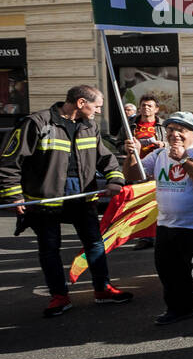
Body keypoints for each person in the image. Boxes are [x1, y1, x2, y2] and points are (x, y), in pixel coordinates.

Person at [0, 85, 133, 317]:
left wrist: (115, 181)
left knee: (94, 244)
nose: (99, 112)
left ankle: (102, 290)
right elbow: (10, 162)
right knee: (50, 249)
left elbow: (105, 157)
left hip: (83, 198)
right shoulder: (37, 123)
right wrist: (14, 195)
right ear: (81, 103)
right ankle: (59, 297)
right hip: (45, 201)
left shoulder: (90, 125)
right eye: (97, 106)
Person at [123, 111, 193, 325]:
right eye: (171, 129)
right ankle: (179, 308)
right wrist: (132, 154)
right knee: (170, 272)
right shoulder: (160, 154)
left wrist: (182, 158)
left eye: (181, 130)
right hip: (166, 226)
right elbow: (133, 175)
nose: (175, 134)